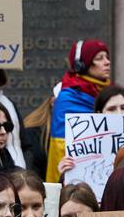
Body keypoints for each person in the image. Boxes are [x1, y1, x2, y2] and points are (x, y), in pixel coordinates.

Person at [46, 40, 111, 183]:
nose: (107, 62)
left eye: (107, 57)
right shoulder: (68, 98)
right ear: (81, 65)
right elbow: (61, 146)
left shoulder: (111, 92)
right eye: (99, 58)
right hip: (77, 176)